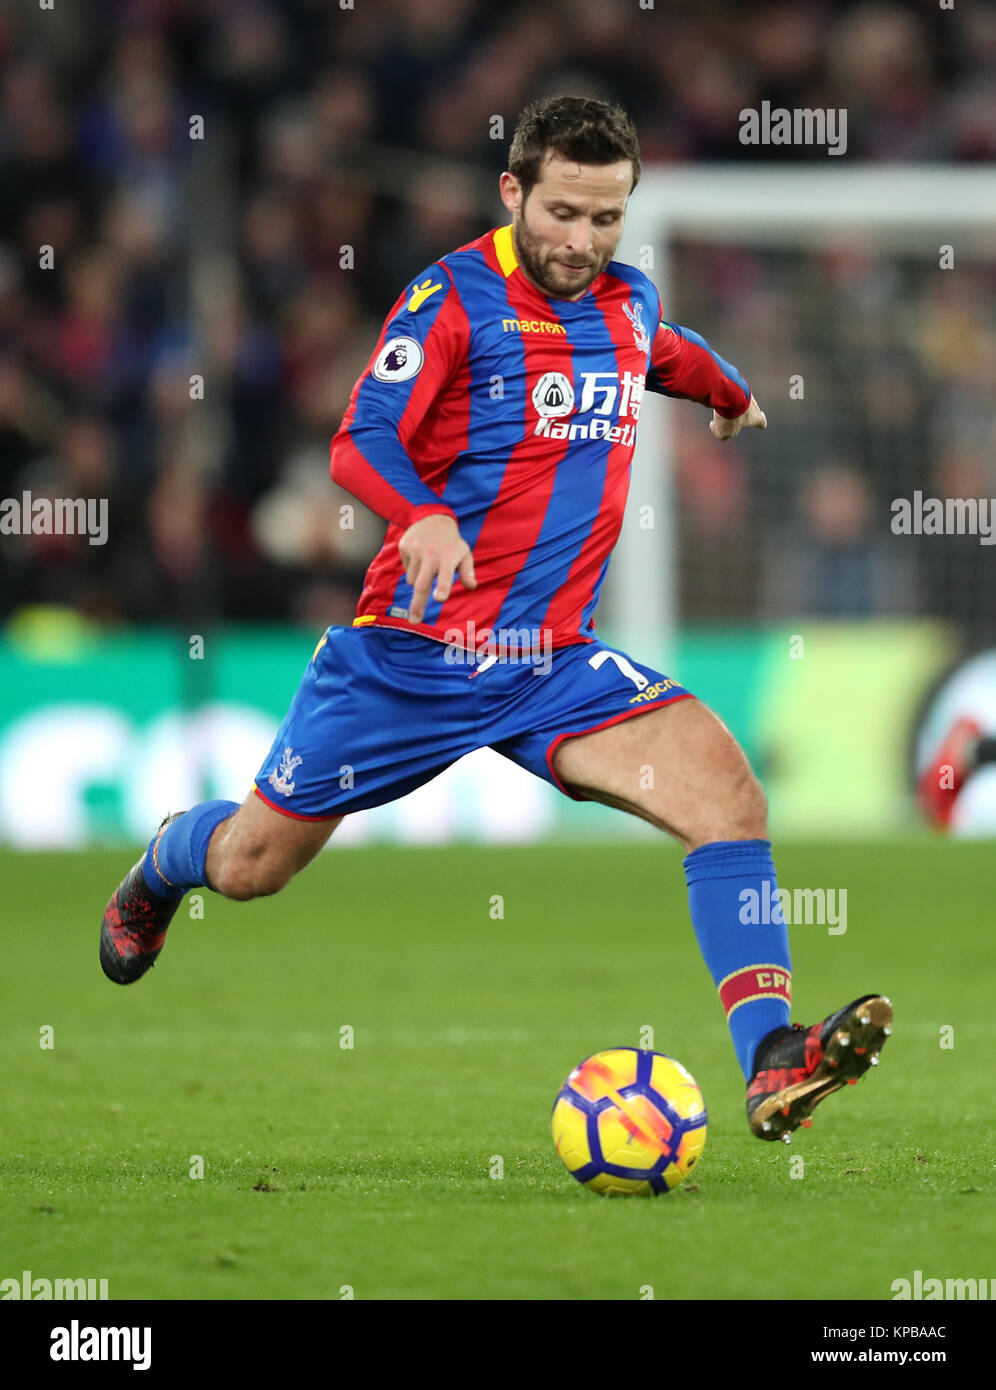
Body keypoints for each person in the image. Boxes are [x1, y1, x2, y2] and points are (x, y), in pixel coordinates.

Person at [100, 95, 891, 1142]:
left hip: (553, 664)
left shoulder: (626, 299)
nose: (582, 241)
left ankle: (769, 1059)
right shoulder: (452, 300)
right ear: (513, 192)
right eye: (563, 212)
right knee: (253, 866)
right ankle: (165, 864)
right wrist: (422, 514)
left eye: (606, 219)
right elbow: (359, 437)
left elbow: (666, 347)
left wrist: (730, 392)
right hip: (412, 657)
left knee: (729, 798)